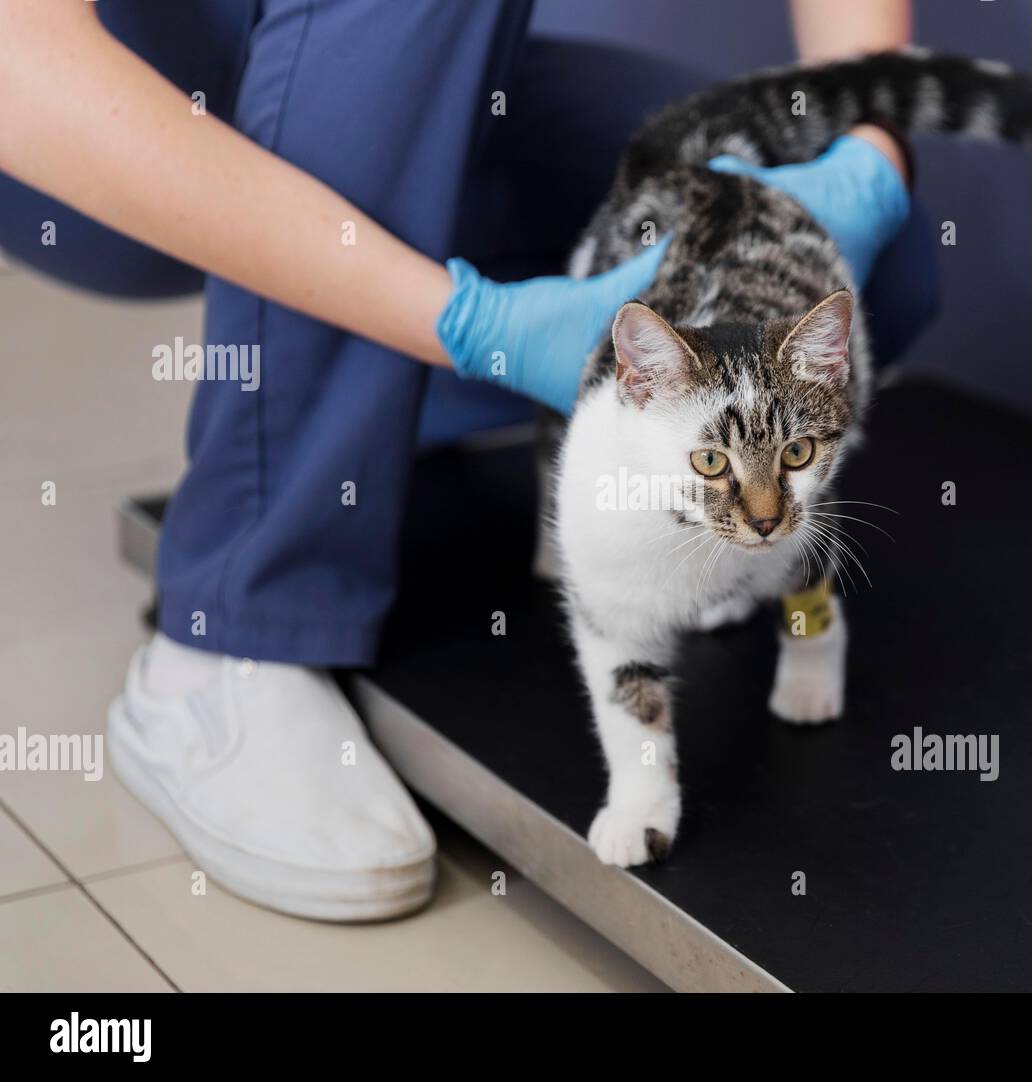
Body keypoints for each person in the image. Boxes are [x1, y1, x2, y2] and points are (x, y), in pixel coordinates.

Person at [0, 0, 936, 920]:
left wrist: (872, 154)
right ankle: (231, 632)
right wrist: (469, 326)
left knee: (877, 273)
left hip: (361, 74)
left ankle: (367, 394)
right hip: (84, 107)